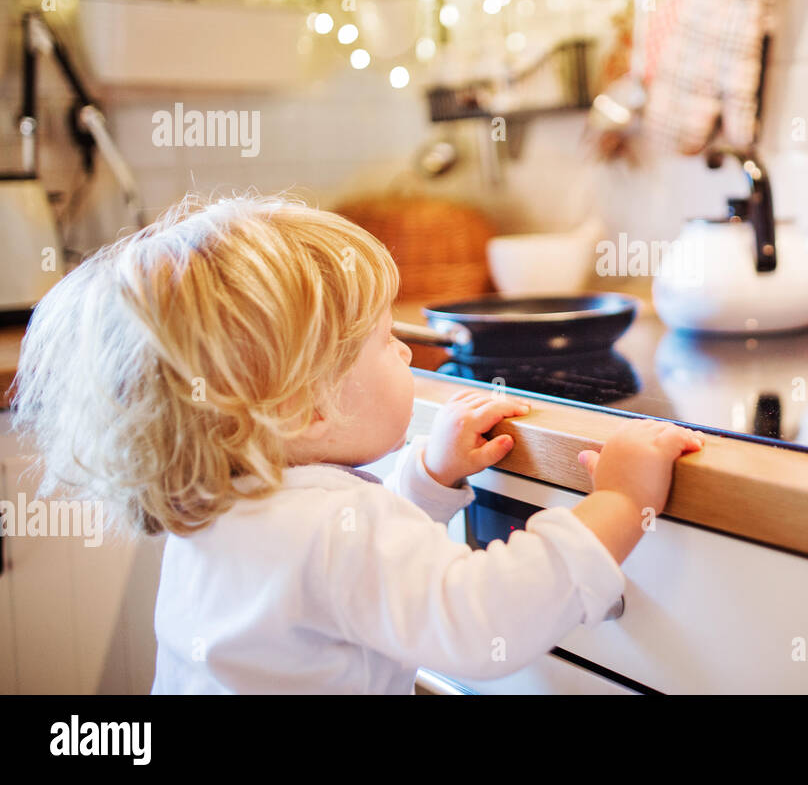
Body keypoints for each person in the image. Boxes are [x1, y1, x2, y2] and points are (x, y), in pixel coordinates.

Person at [11, 192, 703, 693]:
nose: (405, 353)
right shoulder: (334, 529)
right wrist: (619, 499)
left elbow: (341, 573)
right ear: (301, 407)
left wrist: (428, 480)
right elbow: (483, 616)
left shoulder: (222, 507)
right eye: (383, 342)